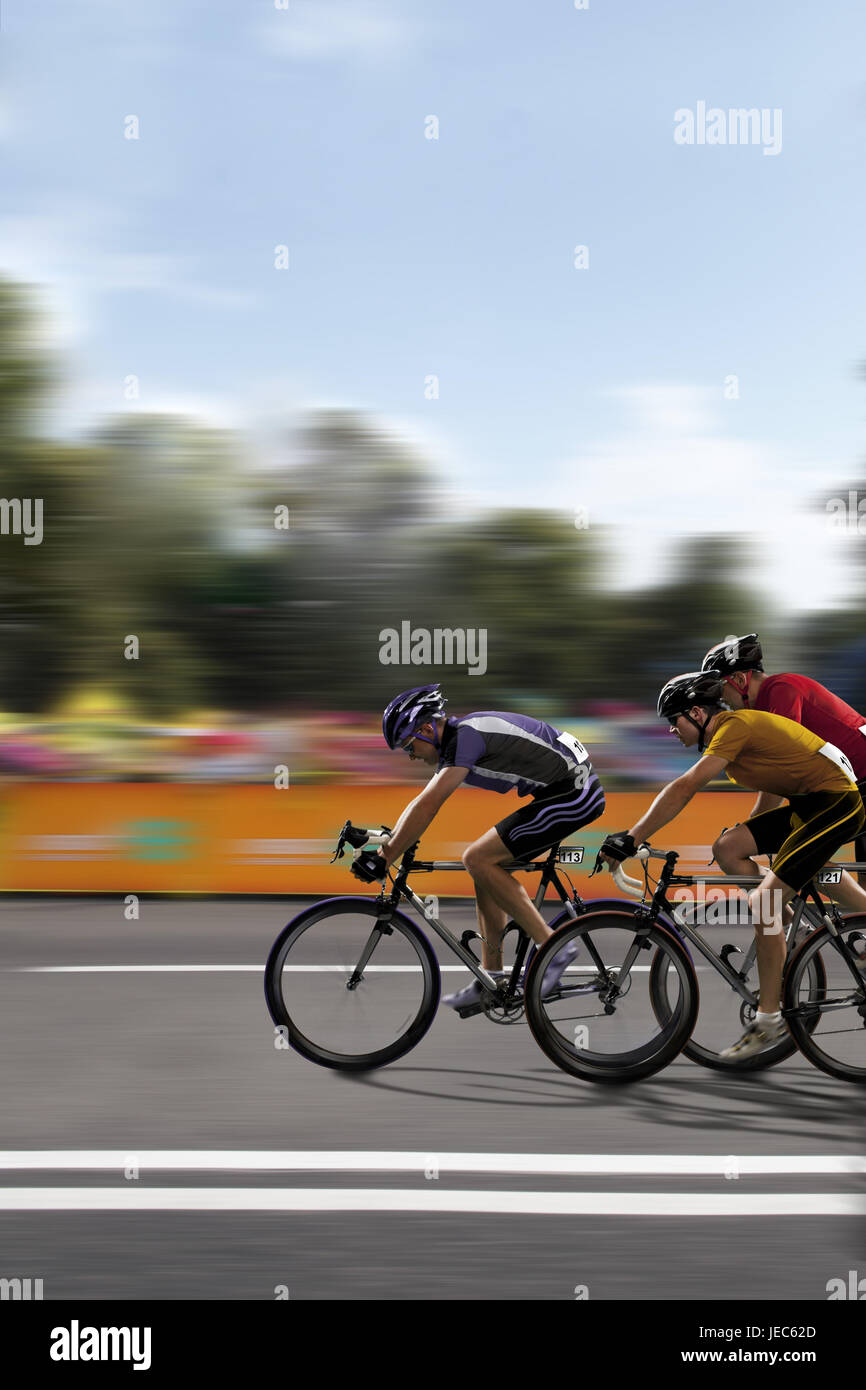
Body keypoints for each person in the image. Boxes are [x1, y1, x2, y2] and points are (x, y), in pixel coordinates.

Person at [598, 671, 865, 1061]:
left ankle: (769, 1019)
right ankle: (787, 927)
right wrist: (749, 832)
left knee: (763, 902)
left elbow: (685, 786)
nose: (672, 731)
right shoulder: (736, 733)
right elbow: (774, 788)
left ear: (697, 712)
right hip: (812, 805)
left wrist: (631, 837)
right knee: (728, 847)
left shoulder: (732, 727)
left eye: (675, 721)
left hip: (837, 805)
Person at [352, 683, 606, 1011]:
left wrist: (387, 855)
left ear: (427, 728)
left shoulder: (465, 738)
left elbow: (430, 803)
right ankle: (494, 977)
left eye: (409, 745)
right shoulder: (460, 739)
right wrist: (390, 841)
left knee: (478, 858)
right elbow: (422, 801)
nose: (412, 754)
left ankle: (553, 949)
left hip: (574, 793)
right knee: (484, 869)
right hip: (560, 789)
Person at [701, 633, 866, 894]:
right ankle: (833, 930)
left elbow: (782, 762)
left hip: (857, 785)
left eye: (722, 690)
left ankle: (824, 929)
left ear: (740, 679)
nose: (723, 701)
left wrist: (755, 820)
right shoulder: (772, 698)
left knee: (798, 859)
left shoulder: (780, 690)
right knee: (803, 862)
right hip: (853, 785)